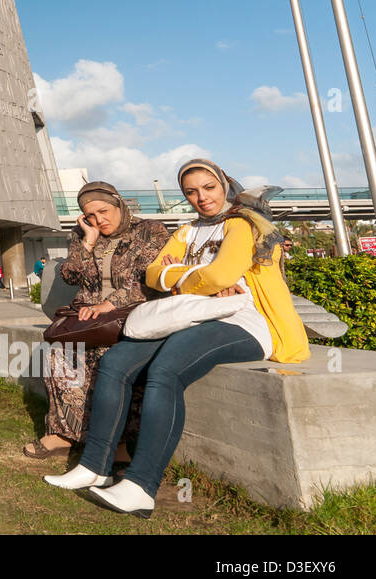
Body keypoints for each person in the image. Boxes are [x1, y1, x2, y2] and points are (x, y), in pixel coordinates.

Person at [46, 159, 310, 518]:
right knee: (115, 362)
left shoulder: (243, 225)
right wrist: (193, 277)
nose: (201, 198)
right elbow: (154, 274)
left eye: (208, 188)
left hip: (246, 321)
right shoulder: (187, 230)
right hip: (189, 316)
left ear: (224, 185)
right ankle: (95, 465)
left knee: (167, 369)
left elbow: (221, 274)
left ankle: (141, 485)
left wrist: (180, 272)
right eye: (191, 192)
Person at [24, 181, 169, 460]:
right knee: (59, 355)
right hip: (89, 318)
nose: (98, 220)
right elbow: (70, 275)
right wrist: (88, 242)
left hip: (133, 316)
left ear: (118, 204)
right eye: (90, 215)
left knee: (111, 359)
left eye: (103, 211)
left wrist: (109, 304)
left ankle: (119, 444)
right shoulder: (82, 234)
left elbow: (150, 278)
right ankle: (64, 433)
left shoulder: (151, 231)